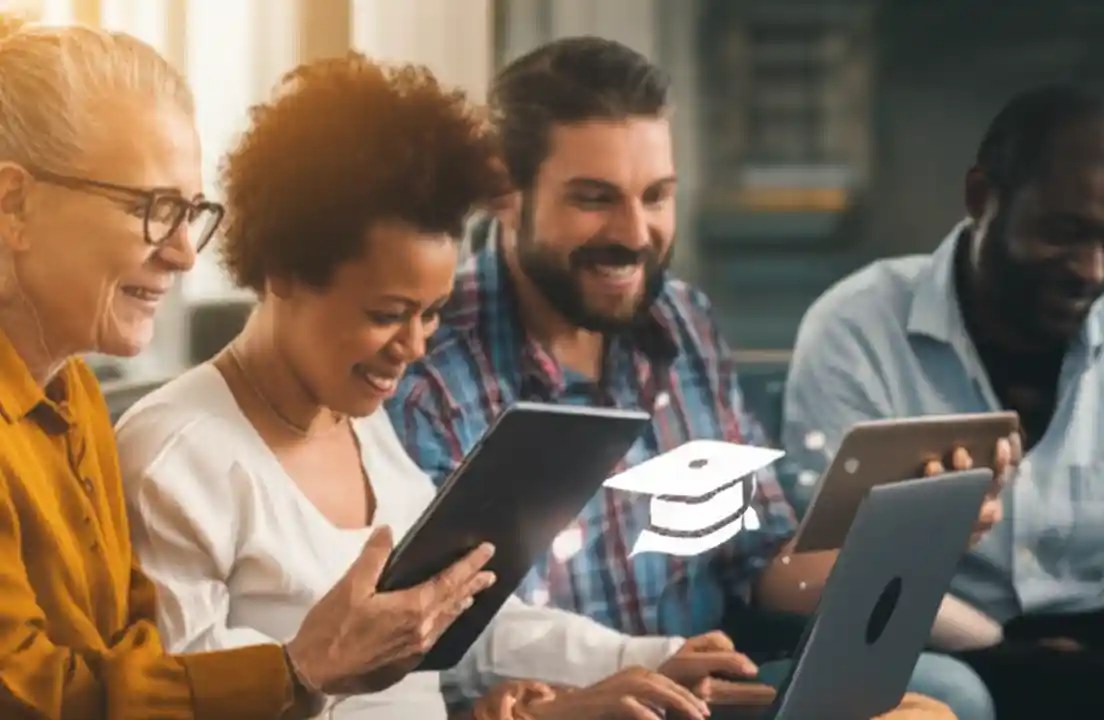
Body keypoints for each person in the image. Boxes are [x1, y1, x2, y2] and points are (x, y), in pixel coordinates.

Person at [116, 53, 753, 720]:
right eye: (386, 314)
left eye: (432, 314)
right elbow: (193, 705)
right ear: (284, 273)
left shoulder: (360, 420)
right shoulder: (175, 460)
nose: (415, 347)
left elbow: (467, 621)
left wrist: (650, 659)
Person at [388, 36, 988, 720]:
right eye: (594, 199)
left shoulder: (682, 320)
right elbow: (451, 644)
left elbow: (762, 564)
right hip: (572, 707)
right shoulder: (427, 367)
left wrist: (910, 533)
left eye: (656, 196)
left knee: (948, 695)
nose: (634, 233)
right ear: (506, 193)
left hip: (716, 688)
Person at [0, 19, 498, 720]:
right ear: (14, 205)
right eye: (152, 208)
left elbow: (132, 659)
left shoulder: (71, 391)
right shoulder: (161, 440)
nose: (184, 254)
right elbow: (29, 697)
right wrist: (298, 670)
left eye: (189, 211)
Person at [784, 83, 1104, 716]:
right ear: (980, 198)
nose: (1091, 270)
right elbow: (817, 572)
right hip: (936, 654)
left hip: (1097, 657)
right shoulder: (857, 331)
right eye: (1063, 233)